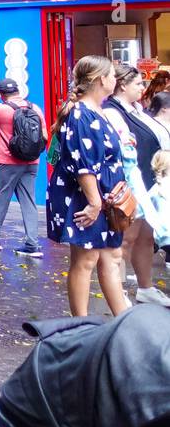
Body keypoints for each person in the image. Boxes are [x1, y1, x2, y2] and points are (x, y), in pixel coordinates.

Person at [46, 55, 129, 318]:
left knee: (112, 256)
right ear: (101, 79)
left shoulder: (95, 110)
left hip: (104, 198)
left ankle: (123, 318)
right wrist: (94, 203)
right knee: (86, 260)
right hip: (87, 197)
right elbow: (83, 164)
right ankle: (79, 323)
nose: (115, 80)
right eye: (112, 75)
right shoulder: (81, 115)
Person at [102, 63, 169, 307]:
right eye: (138, 84)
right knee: (125, 240)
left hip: (150, 181)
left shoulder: (136, 109)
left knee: (146, 238)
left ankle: (145, 286)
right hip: (131, 182)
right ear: (122, 85)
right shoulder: (112, 111)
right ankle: (118, 292)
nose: (142, 88)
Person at [0, 78, 47, 258]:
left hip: (6, 163)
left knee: (0, 200)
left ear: (1, 94)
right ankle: (32, 245)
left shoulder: (1, 109)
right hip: (31, 163)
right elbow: (44, 135)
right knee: (29, 201)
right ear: (17, 90)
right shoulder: (34, 108)